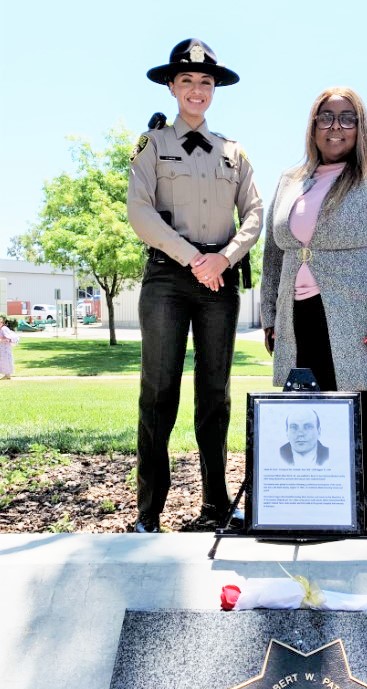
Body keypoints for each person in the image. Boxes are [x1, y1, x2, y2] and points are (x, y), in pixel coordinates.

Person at [261, 86, 367, 522]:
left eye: (347, 118)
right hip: (298, 315)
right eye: (326, 117)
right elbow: (273, 253)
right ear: (313, 125)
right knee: (303, 409)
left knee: (356, 410)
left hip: (358, 318)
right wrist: (271, 317)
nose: (336, 127)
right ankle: (309, 505)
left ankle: (356, 506)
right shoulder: (290, 180)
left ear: (360, 125)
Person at [127, 38, 263, 533]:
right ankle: (149, 513)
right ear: (171, 86)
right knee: (159, 392)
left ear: (214, 89)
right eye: (187, 80)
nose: (197, 90)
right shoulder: (152, 146)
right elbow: (139, 212)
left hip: (218, 283)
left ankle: (215, 506)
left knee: (215, 394)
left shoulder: (234, 151)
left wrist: (223, 259)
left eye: (205, 82)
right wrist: (193, 259)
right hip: (167, 277)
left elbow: (254, 213)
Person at [0, 316, 19, 380]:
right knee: (3, 361)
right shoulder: (1, 329)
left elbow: (8, 338)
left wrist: (1, 340)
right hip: (2, 348)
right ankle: (7, 375)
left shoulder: (4, 329)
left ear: (1, 322)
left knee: (6, 361)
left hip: (5, 349)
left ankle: (7, 375)